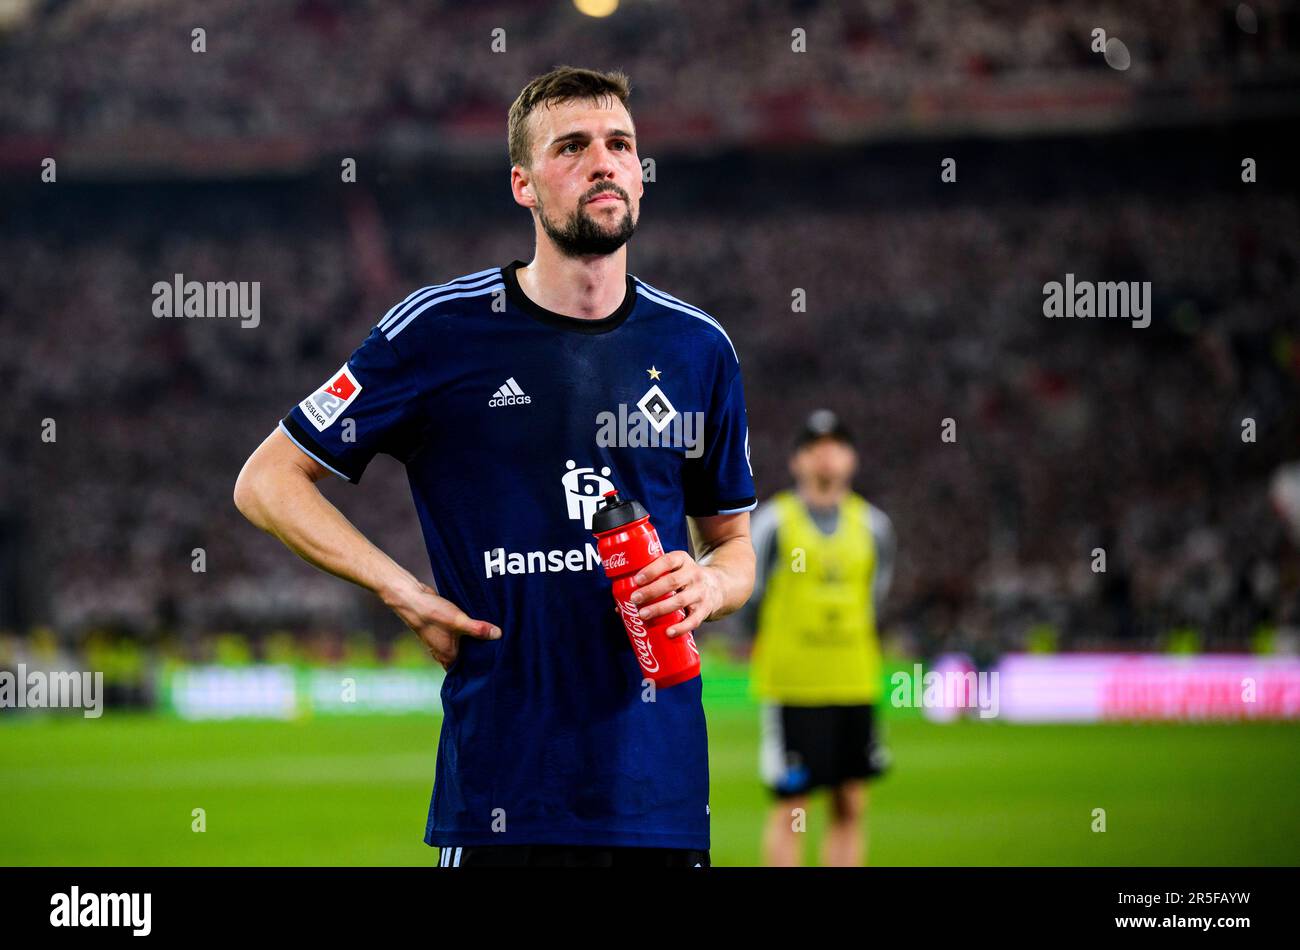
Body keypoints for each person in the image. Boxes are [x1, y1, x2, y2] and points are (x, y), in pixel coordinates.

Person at [233, 67, 757, 867]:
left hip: (659, 800)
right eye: (572, 147)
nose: (605, 162)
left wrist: (711, 584)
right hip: (501, 799)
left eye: (621, 144)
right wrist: (399, 589)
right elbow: (266, 480)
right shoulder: (437, 332)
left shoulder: (698, 348)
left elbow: (736, 545)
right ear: (522, 183)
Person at [739, 409, 895, 866]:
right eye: (814, 447)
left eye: (836, 446)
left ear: (853, 459)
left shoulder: (875, 527)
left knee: (850, 805)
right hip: (793, 686)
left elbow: (875, 598)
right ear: (797, 461)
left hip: (854, 682)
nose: (826, 456)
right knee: (792, 807)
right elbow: (752, 597)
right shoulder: (772, 522)